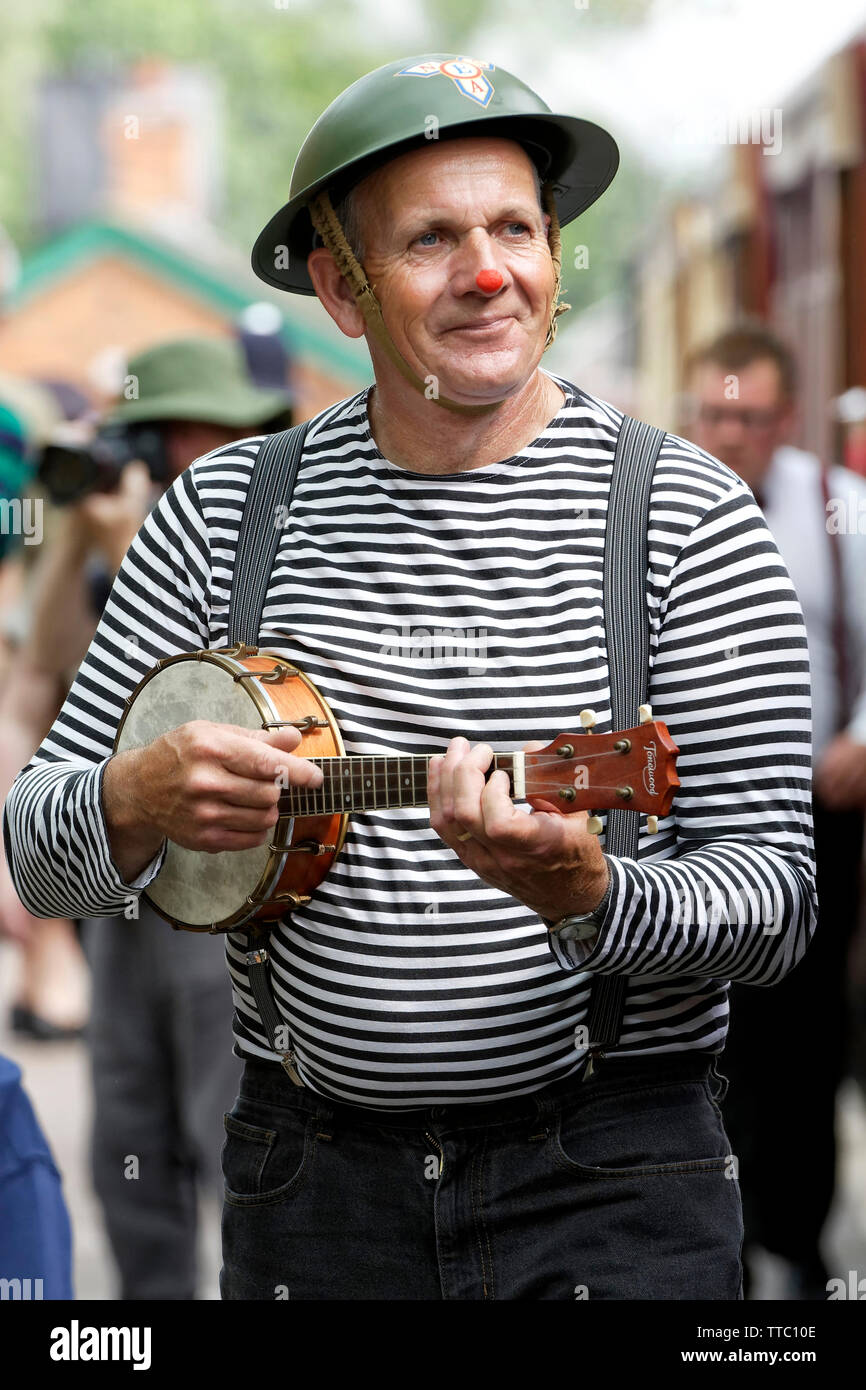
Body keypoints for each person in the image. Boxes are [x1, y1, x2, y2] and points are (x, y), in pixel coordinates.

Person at [4, 55, 817, 1301]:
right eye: (431, 239)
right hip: (310, 1184)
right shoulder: (222, 516)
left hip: (610, 1181)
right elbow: (38, 848)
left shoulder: (684, 516)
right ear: (339, 286)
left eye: (514, 229)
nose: (489, 271)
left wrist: (595, 895)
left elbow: (773, 906)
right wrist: (130, 800)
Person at [2, 335, 293, 1300]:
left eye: (176, 436)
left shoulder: (269, 538)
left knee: (225, 1137)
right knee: (127, 1142)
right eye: (150, 438)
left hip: (220, 887)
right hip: (118, 889)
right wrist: (78, 544)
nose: (164, 459)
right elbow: (36, 687)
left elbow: (207, 699)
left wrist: (135, 550)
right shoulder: (106, 535)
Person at [686, 322, 866, 1299]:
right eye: (713, 415)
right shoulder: (658, 509)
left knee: (801, 1039)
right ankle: (718, 1239)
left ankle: (794, 1247)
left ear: (784, 418)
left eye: (748, 418)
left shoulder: (842, 510)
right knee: (708, 1030)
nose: (728, 435)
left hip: (810, 815)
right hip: (687, 816)